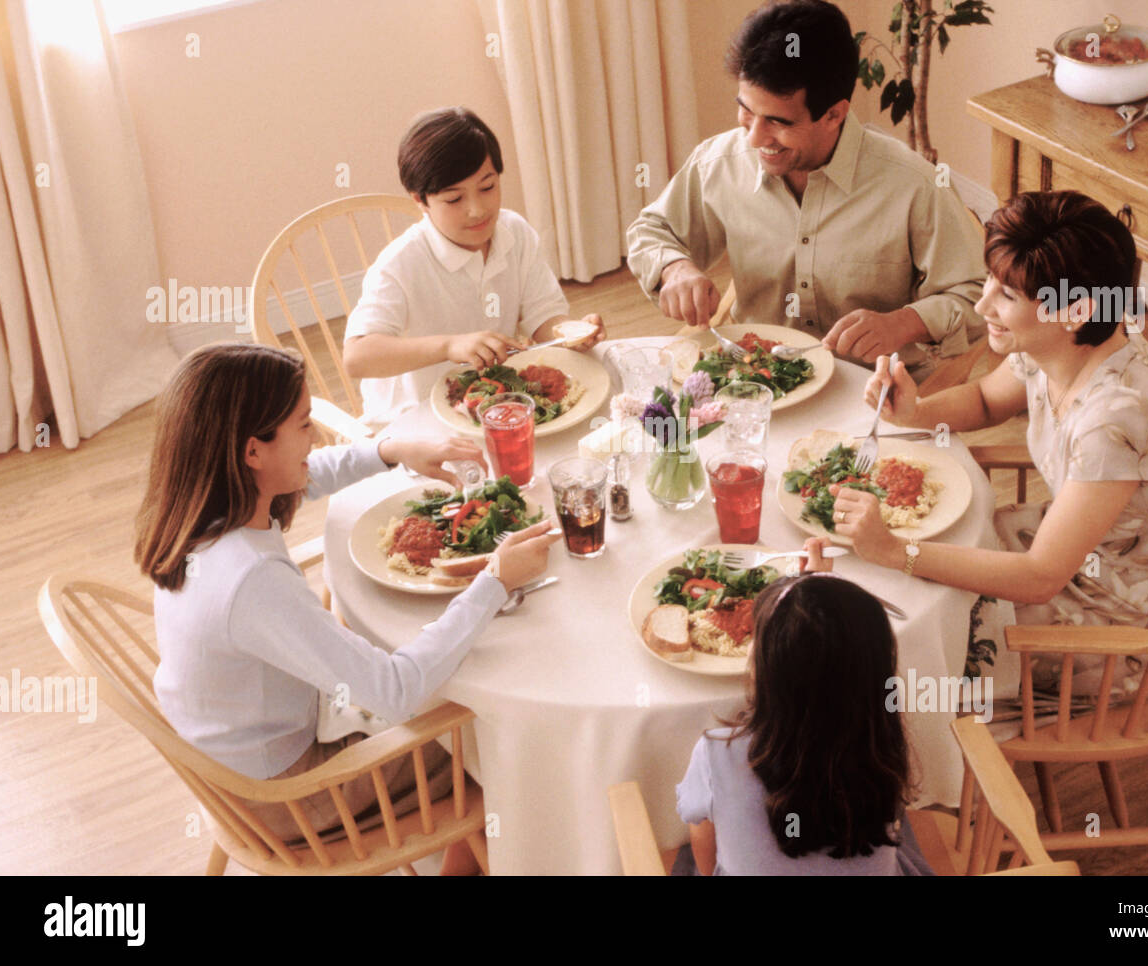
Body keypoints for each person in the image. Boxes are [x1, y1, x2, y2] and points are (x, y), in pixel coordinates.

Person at [134, 343, 562, 873]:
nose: (312, 438)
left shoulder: (204, 506)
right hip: (290, 793)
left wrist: (389, 450)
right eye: (303, 424)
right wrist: (495, 581)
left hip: (229, 759)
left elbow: (306, 473)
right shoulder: (250, 580)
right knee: (500, 741)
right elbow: (396, 688)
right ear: (252, 452)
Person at [833, 190, 1148, 713]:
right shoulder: (1059, 345)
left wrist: (893, 552)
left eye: (1007, 297)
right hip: (1081, 556)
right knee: (900, 591)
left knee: (900, 646)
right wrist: (915, 411)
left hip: (1130, 627)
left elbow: (1039, 578)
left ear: (1076, 310)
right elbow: (984, 399)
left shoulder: (1116, 421)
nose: (981, 305)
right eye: (990, 282)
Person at [626, 0, 986, 379]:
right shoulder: (719, 162)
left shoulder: (914, 185)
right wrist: (675, 268)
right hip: (756, 385)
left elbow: (976, 297)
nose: (753, 138)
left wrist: (904, 322)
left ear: (834, 114)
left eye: (777, 122)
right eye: (746, 111)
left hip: (878, 395)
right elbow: (650, 231)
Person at [675, 539, 934, 875]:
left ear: (759, 671)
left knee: (690, 843)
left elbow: (702, 837)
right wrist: (819, 597)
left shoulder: (716, 753)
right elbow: (834, 660)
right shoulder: (881, 748)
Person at [342, 106, 606, 424]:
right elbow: (357, 358)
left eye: (487, 187)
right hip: (415, 420)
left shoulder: (515, 233)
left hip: (489, 407)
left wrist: (574, 333)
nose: (477, 210)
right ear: (420, 200)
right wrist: (451, 345)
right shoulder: (401, 263)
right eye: (454, 199)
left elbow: (543, 315)